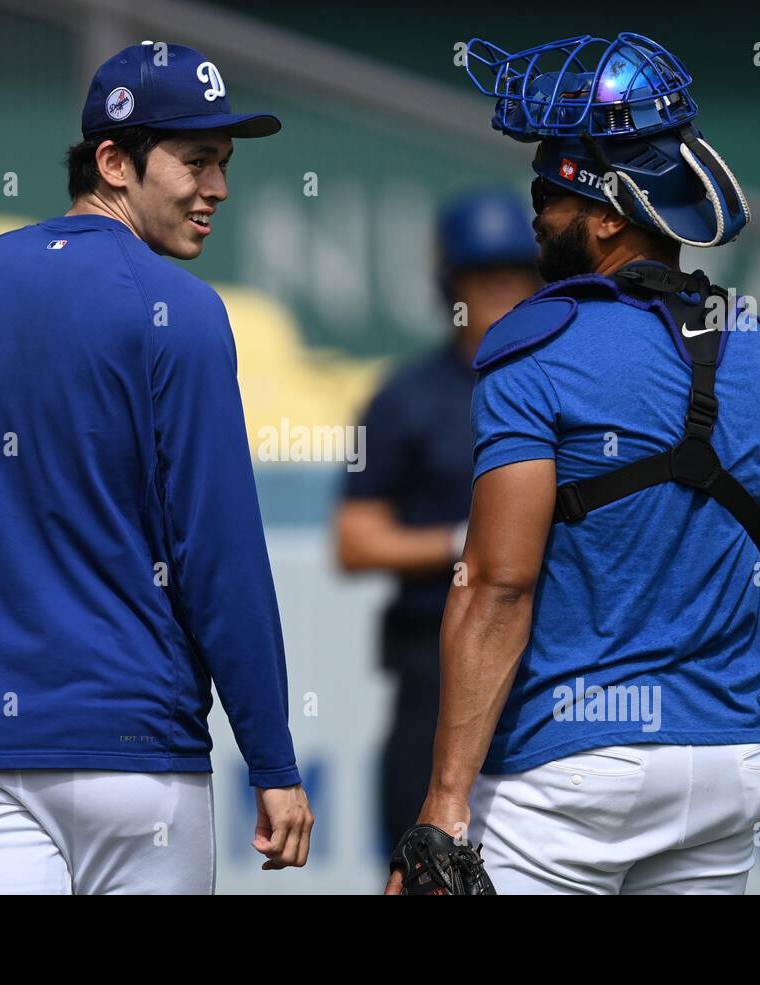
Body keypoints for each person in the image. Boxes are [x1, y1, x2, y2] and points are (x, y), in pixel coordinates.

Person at [389, 32, 760, 894]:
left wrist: (442, 813)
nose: (534, 212)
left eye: (550, 188)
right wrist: (691, 681)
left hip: (564, 778)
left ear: (607, 214)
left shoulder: (536, 348)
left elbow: (495, 585)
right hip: (726, 768)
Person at [0, 43, 313, 895]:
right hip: (135, 756)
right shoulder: (182, 312)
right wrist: (273, 757)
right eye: (195, 161)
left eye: (222, 163)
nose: (218, 187)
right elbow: (217, 555)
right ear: (113, 160)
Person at [335, 190, 540, 849]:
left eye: (517, 272)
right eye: (484, 275)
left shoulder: (563, 385)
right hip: (438, 662)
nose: (503, 289)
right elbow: (355, 538)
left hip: (551, 665)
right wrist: (470, 545)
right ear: (450, 282)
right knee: (427, 863)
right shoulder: (409, 398)